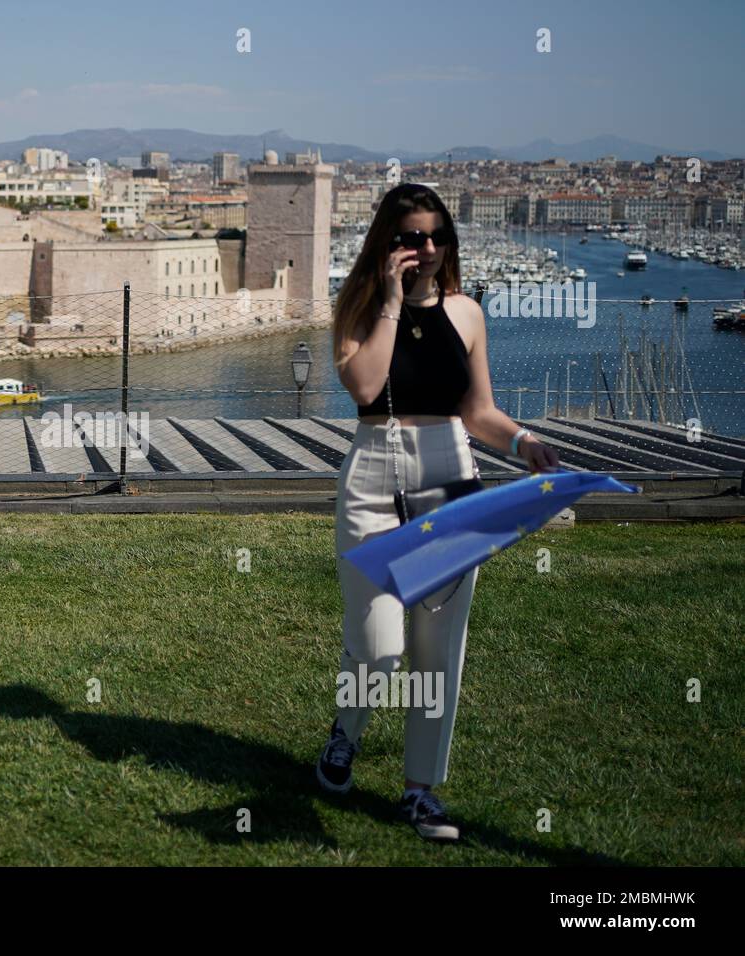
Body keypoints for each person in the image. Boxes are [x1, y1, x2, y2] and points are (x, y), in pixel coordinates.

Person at [318, 183, 560, 841]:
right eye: (410, 238)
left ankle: (419, 792)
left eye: (435, 237)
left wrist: (522, 440)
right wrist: (394, 302)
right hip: (373, 476)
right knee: (378, 645)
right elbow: (365, 386)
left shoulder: (470, 314)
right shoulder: (359, 308)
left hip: (450, 475)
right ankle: (348, 728)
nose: (425, 249)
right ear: (386, 245)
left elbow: (477, 411)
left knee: (436, 652)